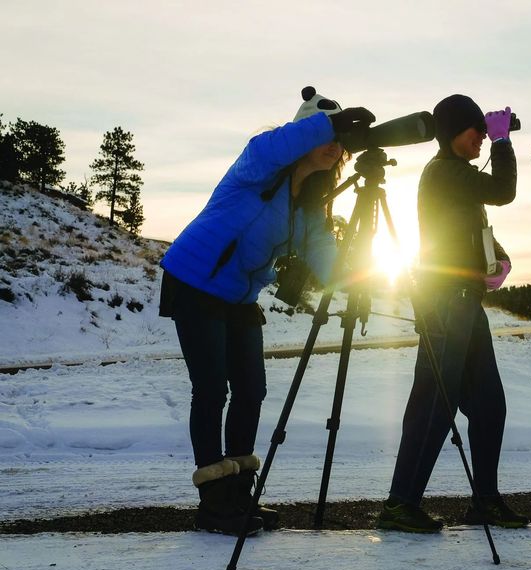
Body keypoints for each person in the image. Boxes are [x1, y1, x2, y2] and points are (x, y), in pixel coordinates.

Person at [158, 86, 375, 536]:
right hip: (194, 282)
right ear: (304, 132)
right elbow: (272, 145)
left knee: (252, 389)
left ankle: (238, 491)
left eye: (341, 143)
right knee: (212, 388)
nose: (336, 146)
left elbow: (325, 257)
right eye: (326, 133)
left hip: (238, 297)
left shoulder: (308, 209)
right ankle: (213, 502)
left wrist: (358, 285)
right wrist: (332, 121)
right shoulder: (258, 168)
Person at [376, 94, 528, 533]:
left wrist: (494, 258)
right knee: (434, 401)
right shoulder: (445, 171)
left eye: (486, 132)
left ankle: (485, 500)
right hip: (446, 301)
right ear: (452, 133)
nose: (482, 137)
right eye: (476, 131)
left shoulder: (455, 177)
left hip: (464, 299)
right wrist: (503, 143)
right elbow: (504, 190)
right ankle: (400, 504)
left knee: (488, 406)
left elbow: (468, 229)